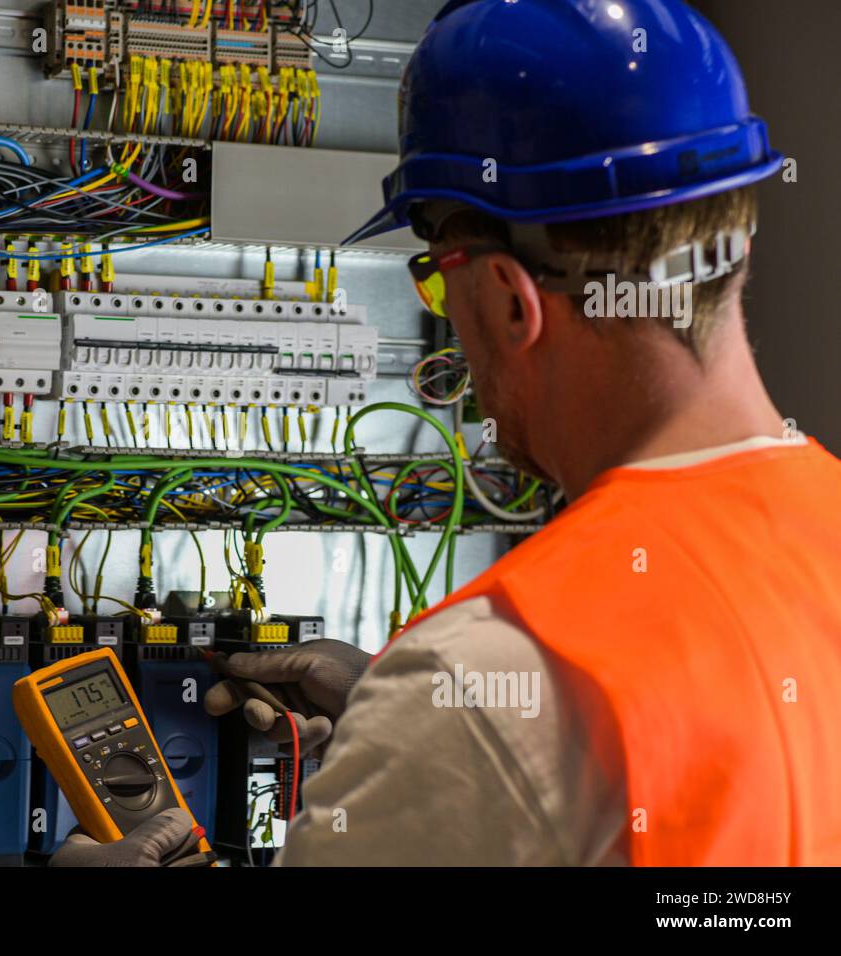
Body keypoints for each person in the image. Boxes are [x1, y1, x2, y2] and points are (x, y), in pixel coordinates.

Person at [51, 0, 841, 867]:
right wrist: (405, 729)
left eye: (434, 282)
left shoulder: (480, 684)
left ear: (509, 299)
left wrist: (432, 729)